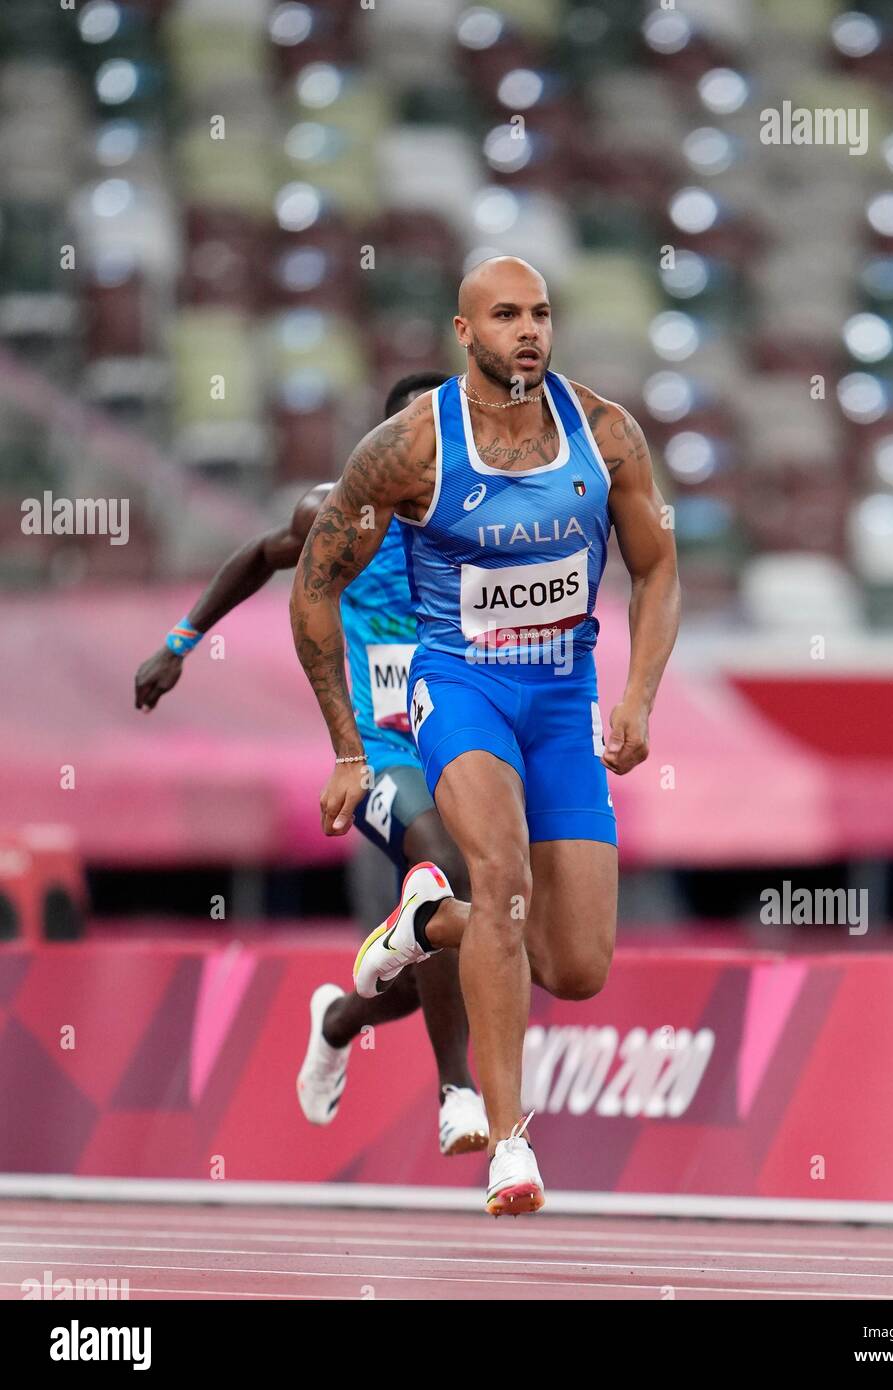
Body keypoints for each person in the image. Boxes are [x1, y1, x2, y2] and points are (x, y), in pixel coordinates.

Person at [289, 257, 680, 1215]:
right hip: (459, 690)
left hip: (561, 699)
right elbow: (312, 582)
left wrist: (635, 698)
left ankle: (424, 923)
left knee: (577, 968)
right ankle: (510, 1141)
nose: (528, 331)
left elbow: (659, 568)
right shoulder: (409, 447)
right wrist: (347, 748)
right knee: (499, 878)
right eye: (506, 315)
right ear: (464, 333)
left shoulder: (607, 434)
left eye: (540, 313)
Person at [133, 373, 490, 1158]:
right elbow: (261, 557)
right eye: (415, 441)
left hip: (466, 741)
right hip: (377, 753)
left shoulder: (484, 523)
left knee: (474, 942)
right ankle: (456, 1091)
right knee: (445, 868)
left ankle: (339, 1020)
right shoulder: (339, 513)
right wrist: (178, 645)